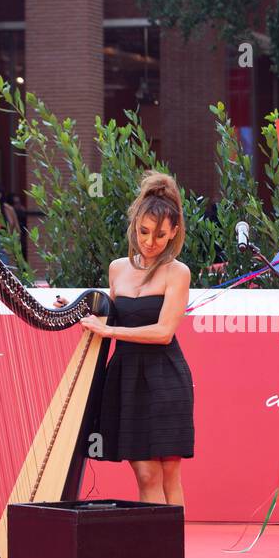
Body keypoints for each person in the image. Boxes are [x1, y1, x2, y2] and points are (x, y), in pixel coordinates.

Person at [56, 170, 194, 506]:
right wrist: (76, 309)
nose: (150, 242)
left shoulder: (178, 272)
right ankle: (151, 553)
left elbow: (163, 333)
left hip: (165, 378)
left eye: (160, 235)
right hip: (127, 378)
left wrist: (109, 330)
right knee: (146, 474)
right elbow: (113, 314)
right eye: (144, 232)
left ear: (174, 232)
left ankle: (169, 555)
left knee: (169, 472)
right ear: (134, 226)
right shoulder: (118, 268)